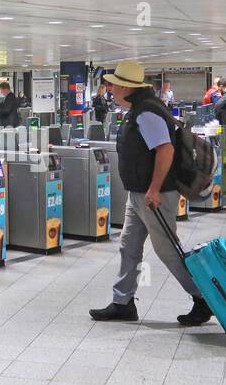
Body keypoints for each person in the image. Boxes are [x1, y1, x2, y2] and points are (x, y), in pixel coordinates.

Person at [89, 60, 212, 326]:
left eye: (113, 85)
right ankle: (122, 303)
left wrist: (154, 189)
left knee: (167, 250)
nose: (110, 89)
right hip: (140, 194)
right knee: (129, 246)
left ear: (125, 87)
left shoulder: (147, 113)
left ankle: (204, 298)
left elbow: (164, 150)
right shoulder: (140, 109)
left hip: (154, 196)